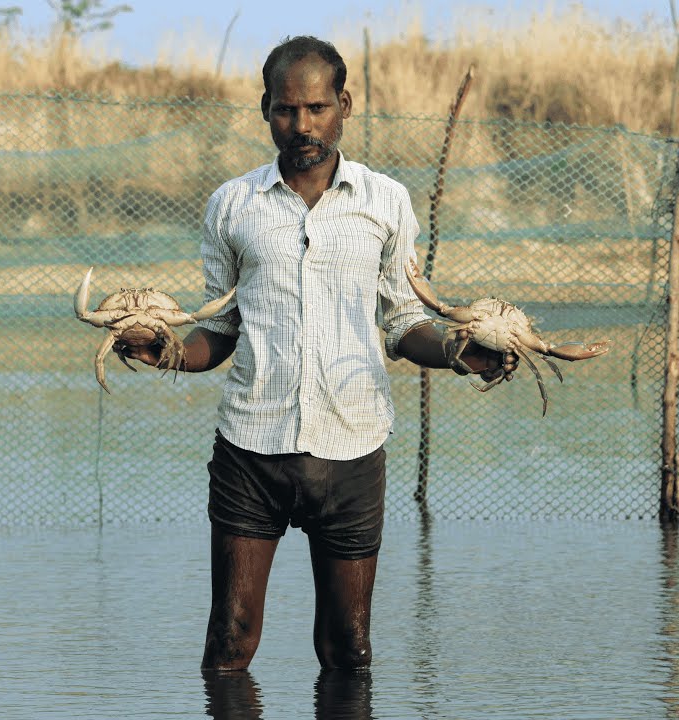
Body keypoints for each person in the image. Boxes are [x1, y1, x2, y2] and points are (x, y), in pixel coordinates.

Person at [118, 35, 516, 670]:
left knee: (348, 651)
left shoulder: (385, 201)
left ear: (344, 104)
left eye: (316, 107)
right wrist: (163, 350)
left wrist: (460, 353)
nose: (301, 125)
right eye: (285, 109)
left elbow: (405, 321)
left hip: (353, 450)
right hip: (250, 452)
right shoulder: (232, 205)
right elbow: (217, 333)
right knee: (228, 646)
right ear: (266, 110)